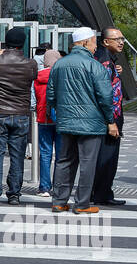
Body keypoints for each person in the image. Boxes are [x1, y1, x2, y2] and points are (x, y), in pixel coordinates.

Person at [46, 27, 116, 215]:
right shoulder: (95, 66)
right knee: (87, 163)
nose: (95, 47)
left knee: (64, 161)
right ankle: (82, 203)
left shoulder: (59, 65)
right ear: (85, 42)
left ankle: (59, 202)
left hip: (66, 121)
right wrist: (110, 120)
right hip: (91, 124)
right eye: (93, 43)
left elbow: (50, 95)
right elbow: (106, 97)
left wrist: (60, 110)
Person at [0, 29, 38, 206]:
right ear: (23, 43)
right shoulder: (31, 64)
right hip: (21, 113)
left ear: (6, 42)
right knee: (17, 156)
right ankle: (14, 194)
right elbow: (33, 78)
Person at [89, 28, 127, 208]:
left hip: (105, 117)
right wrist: (111, 121)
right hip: (108, 118)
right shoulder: (104, 61)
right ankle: (101, 194)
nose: (121, 42)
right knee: (106, 158)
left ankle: (98, 192)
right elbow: (106, 94)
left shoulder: (107, 60)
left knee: (102, 157)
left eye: (122, 39)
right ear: (105, 42)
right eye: (116, 39)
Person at [33, 48, 60, 198]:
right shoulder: (62, 75)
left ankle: (44, 187)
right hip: (61, 119)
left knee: (45, 153)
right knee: (61, 155)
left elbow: (33, 98)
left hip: (43, 118)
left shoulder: (37, 76)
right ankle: (58, 186)